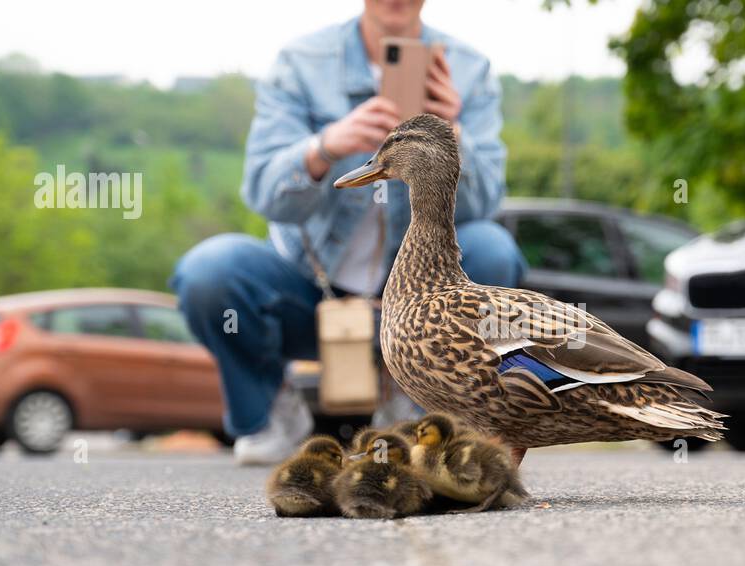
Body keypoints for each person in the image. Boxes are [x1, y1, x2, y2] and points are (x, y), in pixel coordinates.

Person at [171, 0, 525, 465]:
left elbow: (484, 205)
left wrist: (452, 135)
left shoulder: (469, 68)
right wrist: (325, 146)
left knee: (494, 251)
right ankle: (272, 413)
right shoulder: (300, 62)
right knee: (209, 272)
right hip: (311, 294)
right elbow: (262, 192)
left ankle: (420, 405)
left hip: (421, 304)